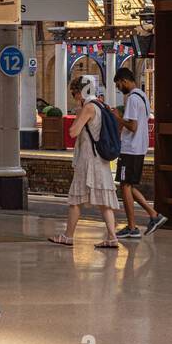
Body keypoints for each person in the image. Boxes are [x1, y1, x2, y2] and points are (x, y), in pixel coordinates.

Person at [48, 81, 121, 249]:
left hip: (88, 160)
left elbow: (73, 132)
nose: (75, 99)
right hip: (100, 159)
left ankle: (68, 236)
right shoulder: (101, 106)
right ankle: (112, 237)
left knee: (76, 199)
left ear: (80, 93)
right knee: (104, 201)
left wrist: (78, 115)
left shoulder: (88, 108)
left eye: (74, 94)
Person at [112, 67, 166, 238]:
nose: (119, 88)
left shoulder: (133, 99)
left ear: (125, 81)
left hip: (130, 149)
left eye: (119, 84)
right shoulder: (143, 97)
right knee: (127, 184)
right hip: (139, 148)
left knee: (125, 185)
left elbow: (132, 127)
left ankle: (133, 226)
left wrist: (116, 117)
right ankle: (153, 215)